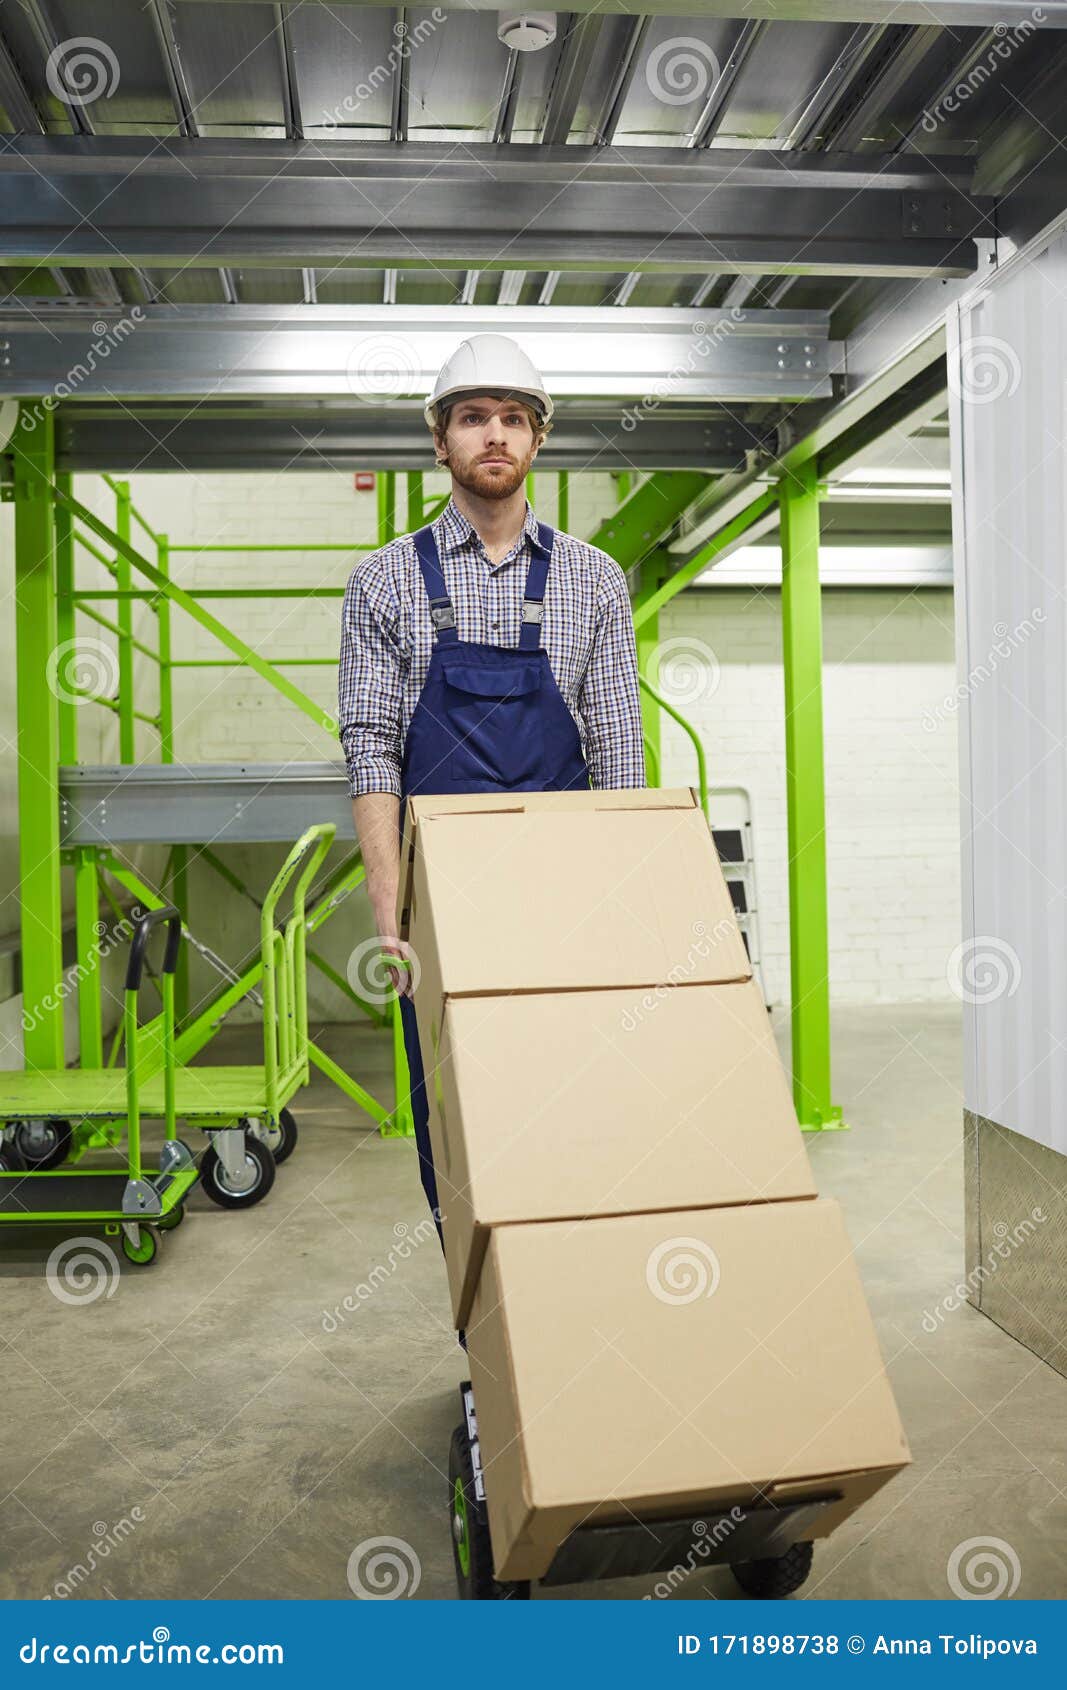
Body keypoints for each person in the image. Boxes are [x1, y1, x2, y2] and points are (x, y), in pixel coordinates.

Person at [338, 331, 645, 1255]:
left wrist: (625, 908)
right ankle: (494, 1331)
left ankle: (574, 1302)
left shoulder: (593, 580)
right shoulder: (383, 581)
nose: (495, 435)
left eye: (514, 418)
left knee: (578, 1108)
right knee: (456, 1124)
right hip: (444, 911)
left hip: (565, 900)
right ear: (441, 441)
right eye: (473, 418)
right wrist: (392, 916)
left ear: (538, 439)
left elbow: (618, 751)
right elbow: (373, 752)